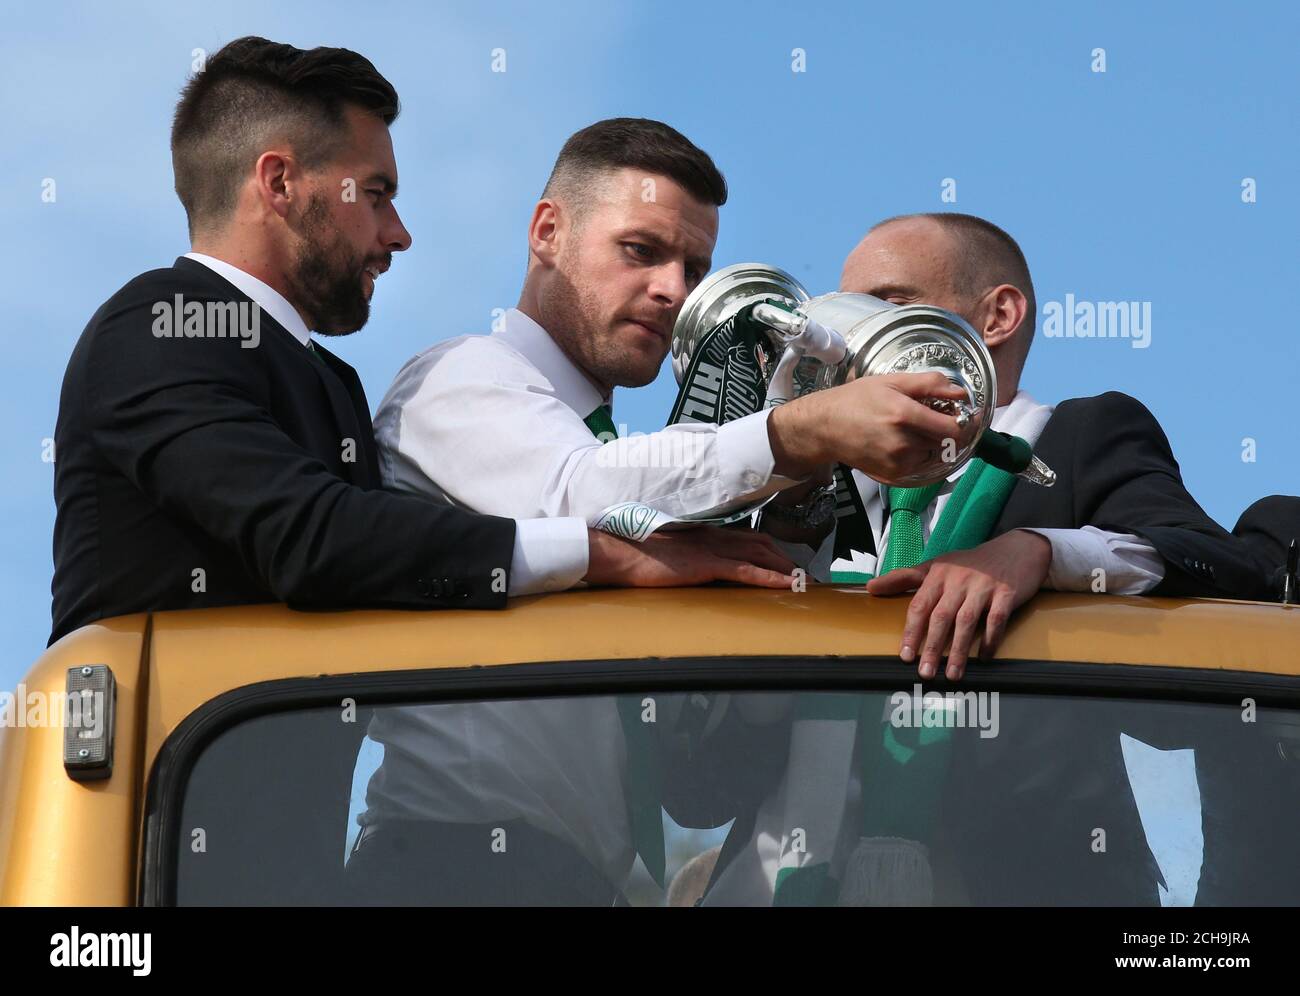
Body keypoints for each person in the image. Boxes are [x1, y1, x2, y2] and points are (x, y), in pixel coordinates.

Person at [347, 119, 967, 905]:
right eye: (641, 251)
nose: (674, 289)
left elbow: (692, 745)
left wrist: (803, 501)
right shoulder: (462, 377)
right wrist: (801, 431)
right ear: (548, 232)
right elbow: (589, 496)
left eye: (695, 266)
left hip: (576, 881)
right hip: (450, 869)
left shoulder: (612, 443)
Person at [49, 40, 798, 649]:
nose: (398, 234)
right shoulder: (161, 321)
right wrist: (603, 552)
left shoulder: (325, 380)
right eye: (375, 195)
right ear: (279, 183)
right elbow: (313, 538)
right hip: (149, 815)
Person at [702, 212, 1273, 906]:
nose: (850, 336)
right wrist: (786, 523)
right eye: (840, 313)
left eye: (887, 302)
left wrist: (1039, 552)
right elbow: (697, 786)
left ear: (997, 315)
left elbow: (1231, 571)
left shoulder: (1079, 435)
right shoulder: (804, 487)